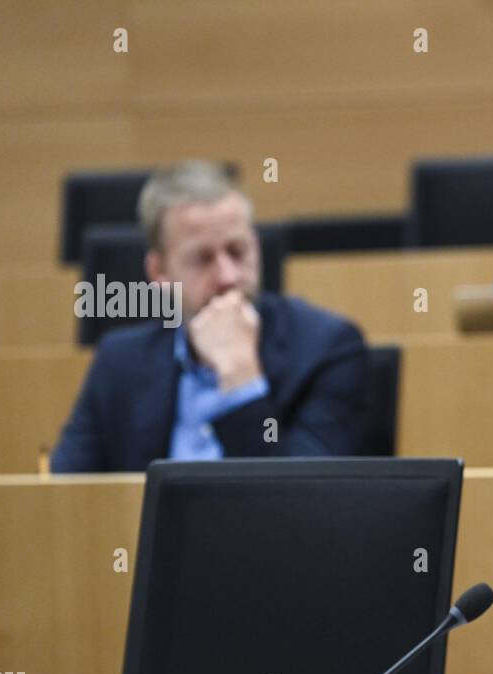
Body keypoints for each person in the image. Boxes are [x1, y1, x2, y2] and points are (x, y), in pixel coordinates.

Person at [51, 160, 369, 472]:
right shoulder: (119, 362)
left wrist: (241, 379)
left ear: (256, 247)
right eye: (202, 259)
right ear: (158, 271)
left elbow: (301, 504)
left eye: (237, 251)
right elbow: (67, 500)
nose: (228, 276)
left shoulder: (328, 349)